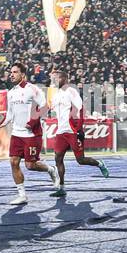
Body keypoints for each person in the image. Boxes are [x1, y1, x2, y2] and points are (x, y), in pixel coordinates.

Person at [49, 67, 108, 197]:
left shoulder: (71, 91)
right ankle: (62, 188)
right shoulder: (56, 94)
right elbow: (53, 108)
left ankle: (100, 164)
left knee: (80, 160)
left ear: (64, 79)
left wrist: (77, 128)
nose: (54, 80)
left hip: (72, 131)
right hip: (61, 132)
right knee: (58, 159)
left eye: (57, 78)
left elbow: (80, 109)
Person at [6, 61, 56, 205]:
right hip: (16, 133)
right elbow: (9, 115)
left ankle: (50, 169)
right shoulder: (11, 93)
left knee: (30, 165)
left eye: (15, 72)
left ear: (22, 74)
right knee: (13, 162)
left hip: (31, 134)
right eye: (11, 72)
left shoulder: (32, 89)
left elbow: (45, 107)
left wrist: (33, 122)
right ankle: (22, 195)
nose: (11, 74)